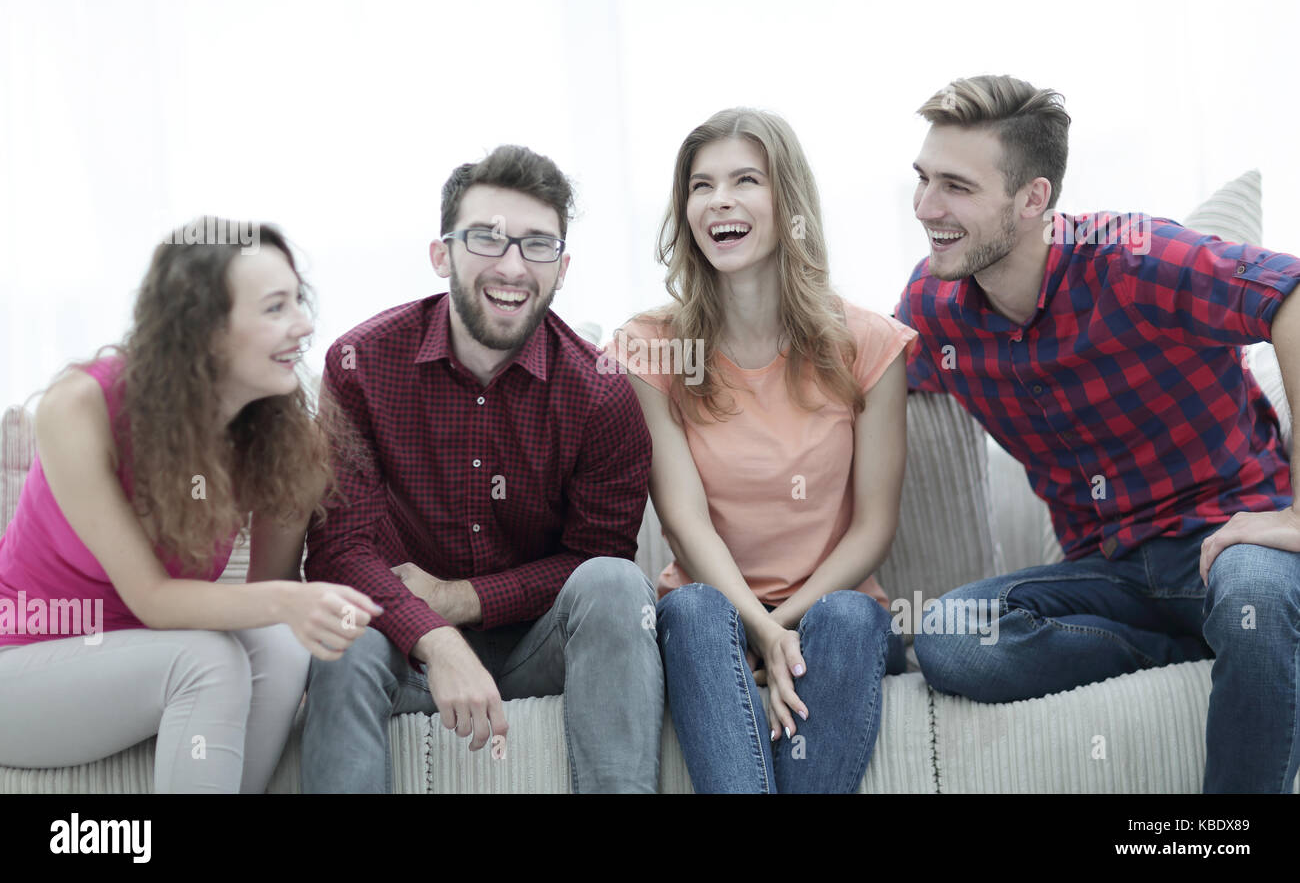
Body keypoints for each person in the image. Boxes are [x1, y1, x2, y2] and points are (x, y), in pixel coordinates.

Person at [896, 73, 1300, 793]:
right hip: (1106, 573)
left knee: (1256, 602)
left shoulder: (1135, 258)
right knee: (950, 636)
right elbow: (850, 375)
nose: (925, 207)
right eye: (923, 179)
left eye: (955, 186)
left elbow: (1291, 298)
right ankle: (1179, 646)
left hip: (1231, 543)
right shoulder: (935, 307)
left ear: (1033, 198)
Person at [300, 145, 663, 793]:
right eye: (488, 239)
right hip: (400, 648)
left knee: (614, 583)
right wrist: (435, 637)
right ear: (442, 253)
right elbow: (337, 551)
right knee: (344, 635)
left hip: (537, 650)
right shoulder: (360, 364)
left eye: (536, 245)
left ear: (563, 266)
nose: (513, 266)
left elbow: (593, 558)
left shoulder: (602, 393)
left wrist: (461, 599)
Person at [0, 218, 381, 793]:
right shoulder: (82, 407)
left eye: (298, 301)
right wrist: (291, 599)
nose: (304, 325)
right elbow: (152, 601)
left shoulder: (284, 441)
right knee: (207, 662)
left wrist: (295, 608)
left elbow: (265, 602)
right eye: (275, 308)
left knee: (278, 646)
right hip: (25, 657)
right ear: (203, 329)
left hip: (149, 662)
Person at [607, 108, 914, 793]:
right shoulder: (651, 348)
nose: (720, 200)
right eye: (700, 185)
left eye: (746, 180)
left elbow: (873, 529)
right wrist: (757, 631)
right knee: (690, 610)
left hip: (835, 616)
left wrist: (780, 630)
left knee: (847, 616)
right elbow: (683, 525)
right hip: (712, 618)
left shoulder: (870, 344)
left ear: (788, 203)